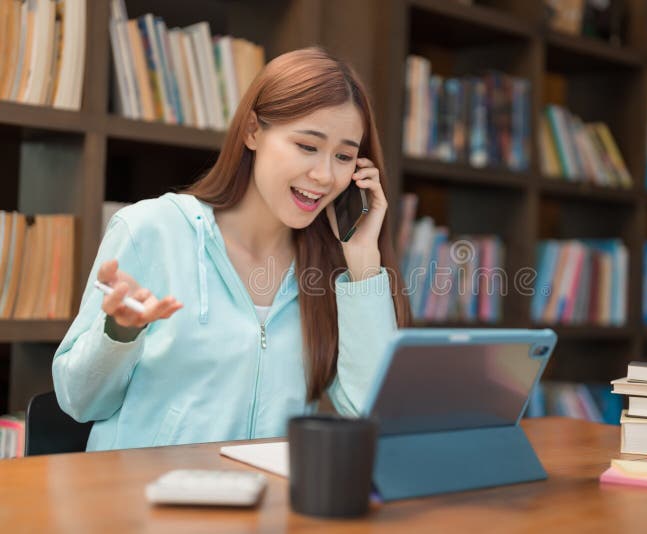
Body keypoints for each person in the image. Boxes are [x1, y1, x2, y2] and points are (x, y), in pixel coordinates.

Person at [52, 47, 411, 451]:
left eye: (344, 156)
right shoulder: (151, 230)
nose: (325, 175)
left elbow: (373, 415)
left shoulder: (328, 271)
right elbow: (78, 400)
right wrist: (119, 333)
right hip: (147, 490)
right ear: (253, 131)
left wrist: (363, 265)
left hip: (269, 492)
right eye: (307, 146)